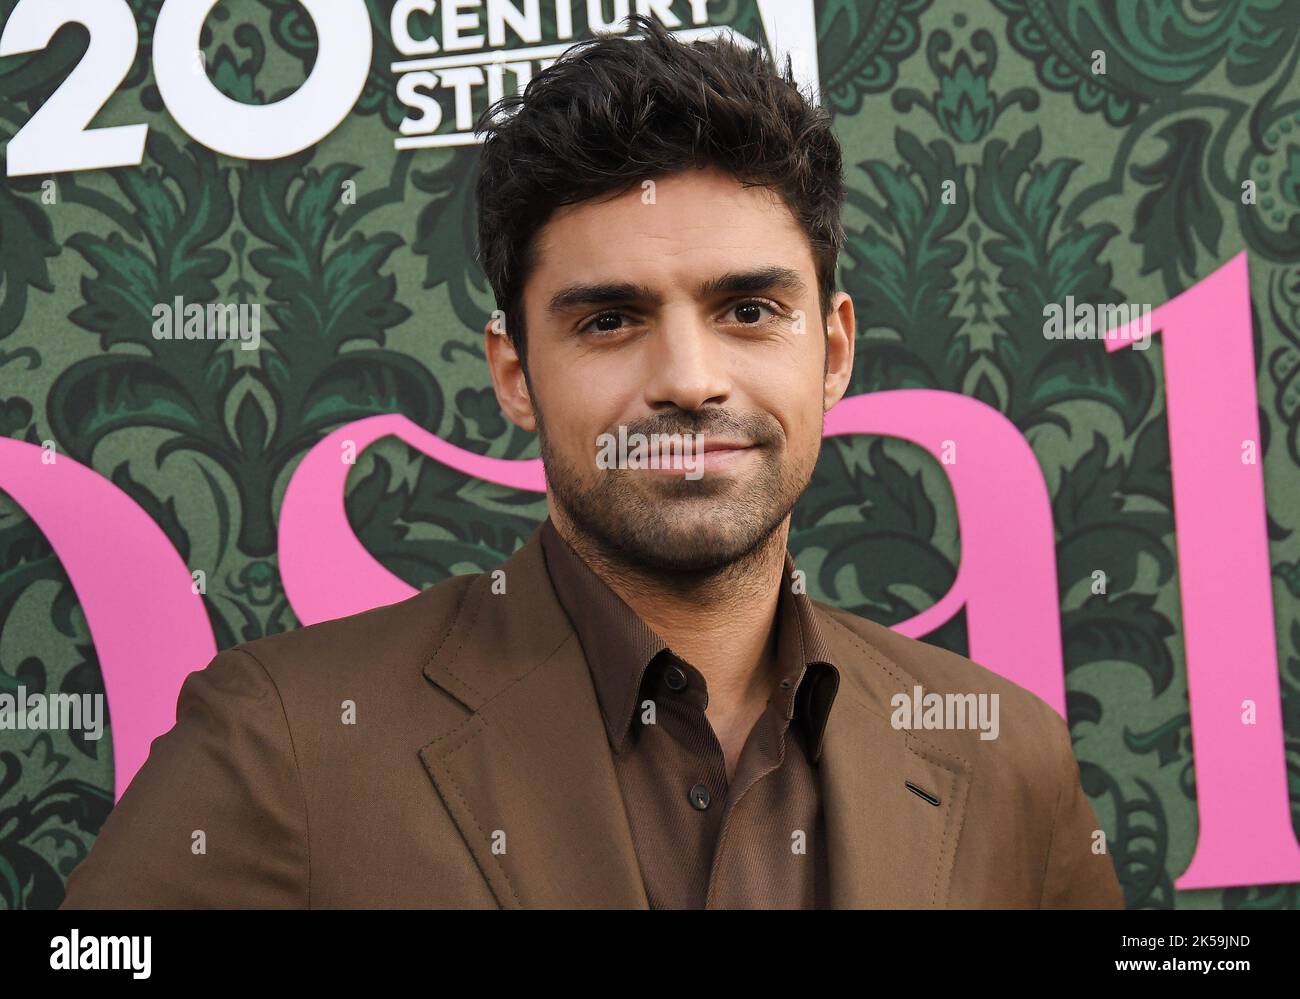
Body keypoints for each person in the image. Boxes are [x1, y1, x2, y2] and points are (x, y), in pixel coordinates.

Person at [61, 14, 1124, 909]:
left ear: (832, 349)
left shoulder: (1003, 757)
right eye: (611, 320)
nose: (690, 379)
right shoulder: (280, 742)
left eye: (750, 310)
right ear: (515, 372)